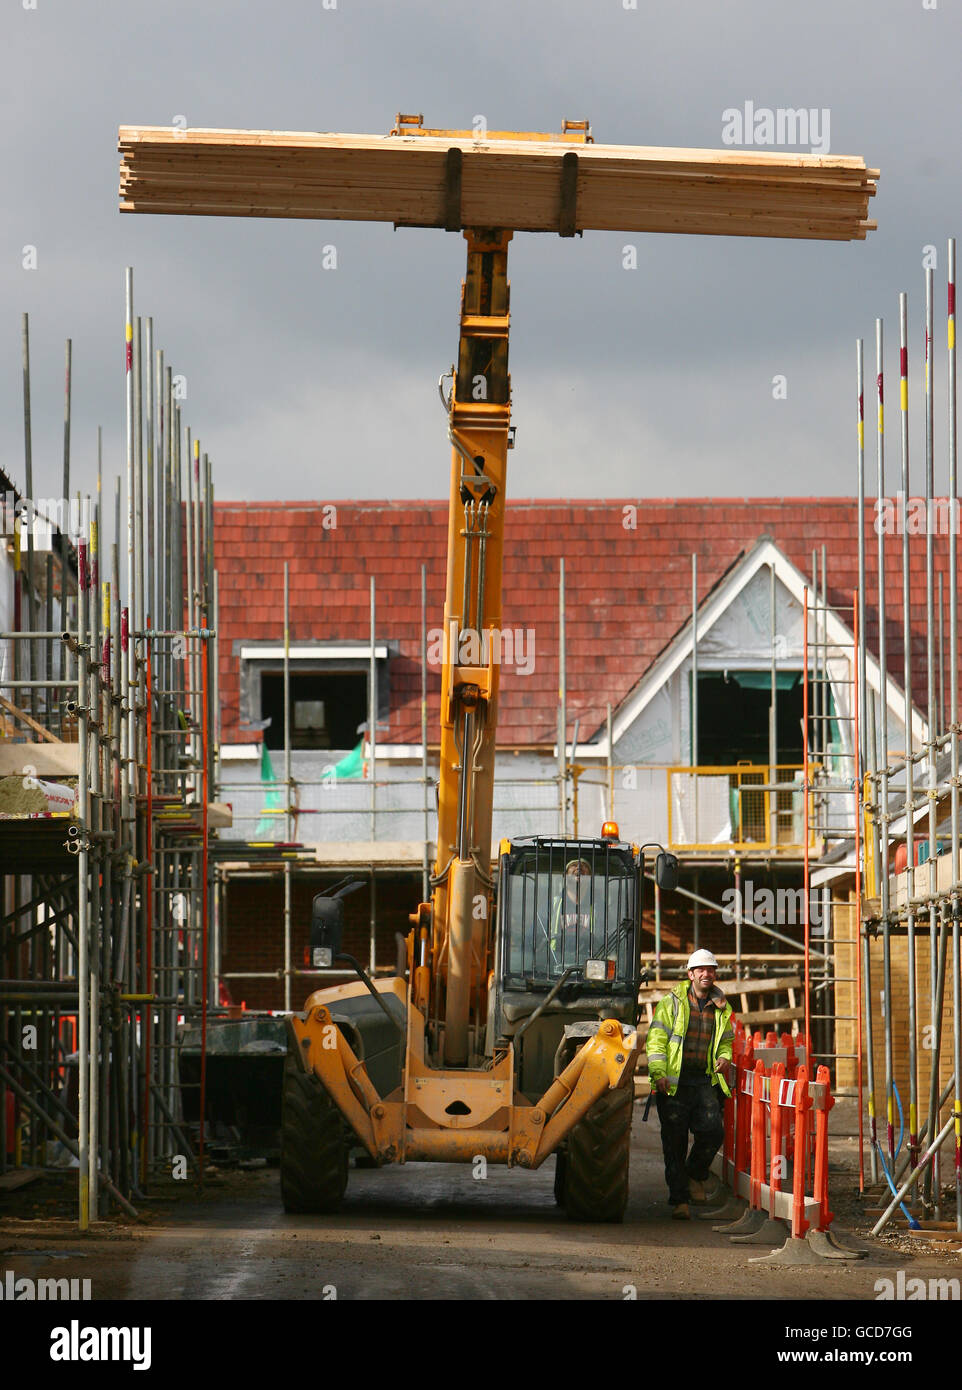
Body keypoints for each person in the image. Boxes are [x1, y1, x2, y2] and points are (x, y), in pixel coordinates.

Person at [646, 948, 734, 1219]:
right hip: (673, 1083)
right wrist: (658, 1073)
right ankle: (679, 1201)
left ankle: (695, 1174)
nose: (707, 974)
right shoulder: (671, 1003)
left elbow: (726, 1041)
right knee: (674, 1143)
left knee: (713, 1132)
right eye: (701, 970)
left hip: (704, 1081)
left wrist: (724, 1057)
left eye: (711, 969)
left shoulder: (721, 1006)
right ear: (691, 974)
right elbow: (657, 1041)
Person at [549, 858, 594, 965]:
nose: (578, 867)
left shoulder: (599, 905)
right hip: (556, 964)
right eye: (573, 865)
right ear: (564, 876)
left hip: (592, 967)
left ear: (590, 877)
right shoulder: (553, 905)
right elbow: (532, 936)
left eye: (584, 865)